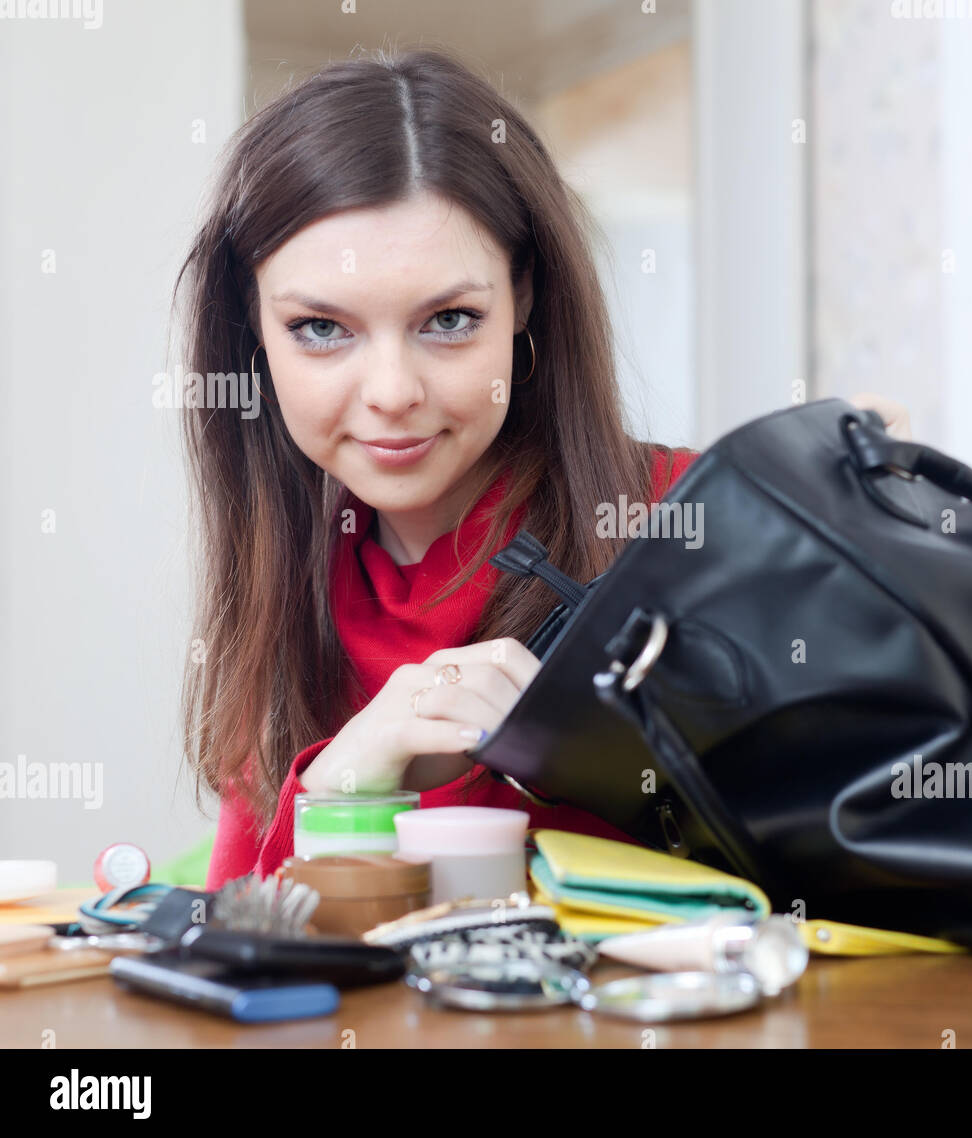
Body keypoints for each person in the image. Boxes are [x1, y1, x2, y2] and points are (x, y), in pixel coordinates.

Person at [175, 48, 910, 890]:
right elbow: (240, 952)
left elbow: (861, 869)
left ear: (523, 295)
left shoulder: (689, 523)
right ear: (251, 330)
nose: (391, 392)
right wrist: (347, 782)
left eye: (449, 319)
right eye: (320, 329)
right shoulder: (285, 592)